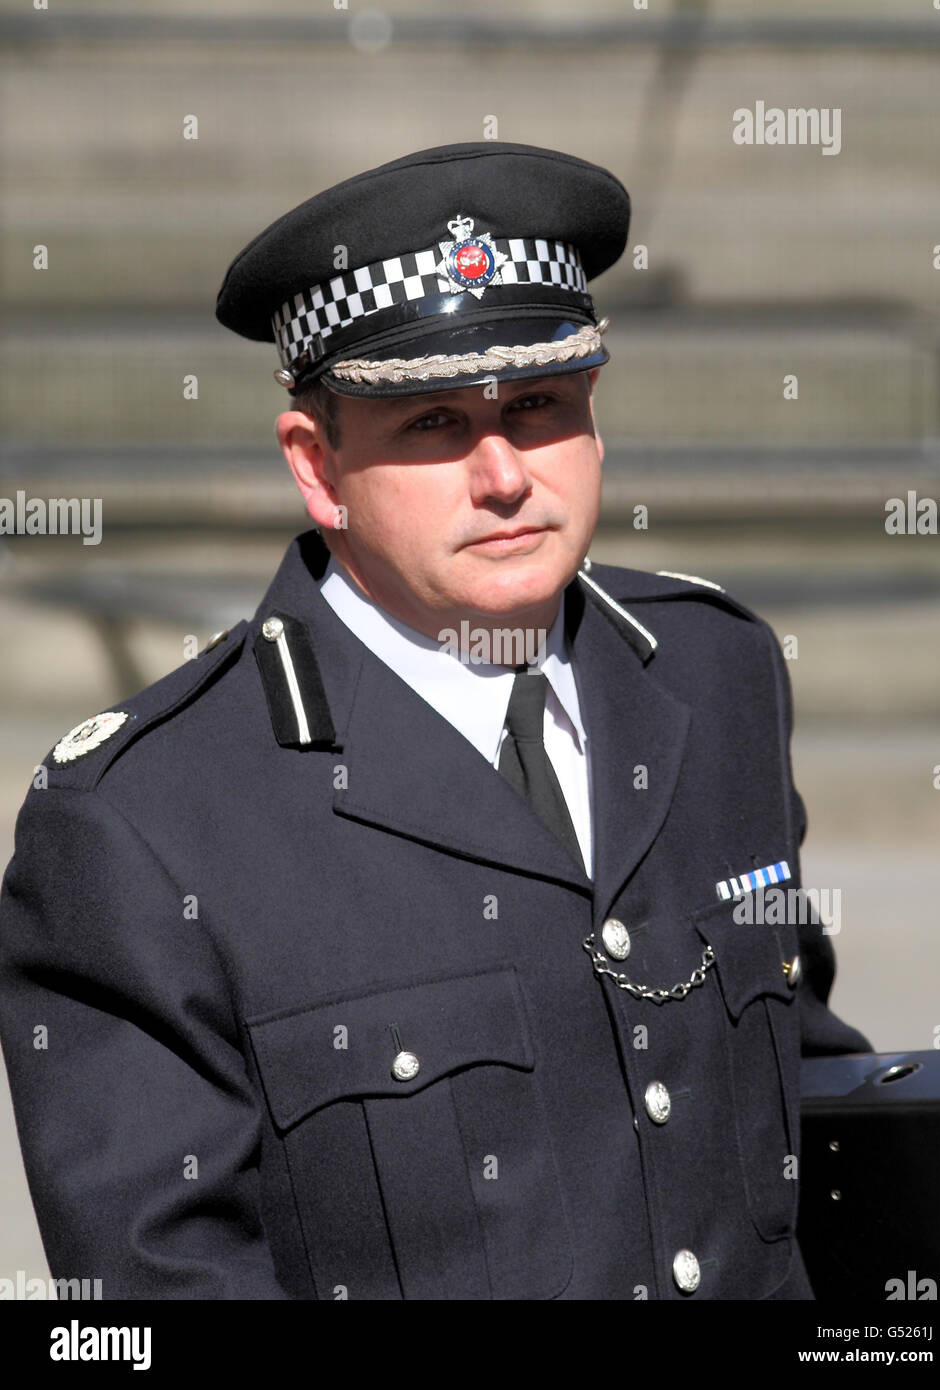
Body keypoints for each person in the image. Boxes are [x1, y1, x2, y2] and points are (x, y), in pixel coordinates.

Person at [0, 141, 870, 1301]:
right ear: (318, 468)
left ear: (595, 420)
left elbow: (799, 1096)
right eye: (431, 426)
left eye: (537, 406)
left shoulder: (717, 674)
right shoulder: (146, 827)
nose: (504, 473)